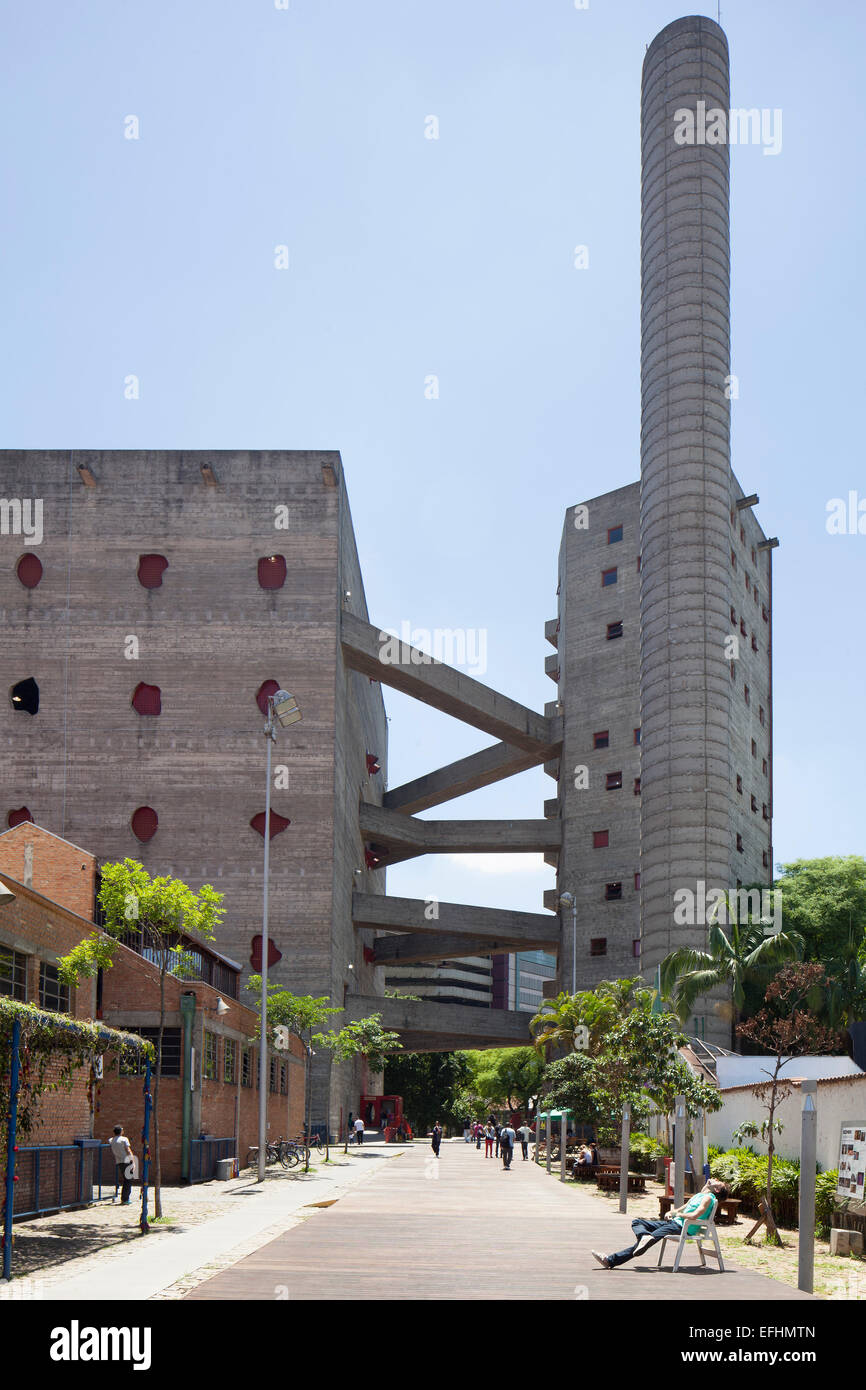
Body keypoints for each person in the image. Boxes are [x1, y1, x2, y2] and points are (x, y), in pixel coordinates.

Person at [591, 1178, 729, 1269]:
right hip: (675, 1223)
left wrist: (679, 1215)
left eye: (719, 1182)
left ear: (716, 1190)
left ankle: (610, 1260)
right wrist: (673, 1212)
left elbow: (694, 1215)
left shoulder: (708, 1199)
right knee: (637, 1221)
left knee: (645, 1242)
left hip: (682, 1227)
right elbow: (687, 1205)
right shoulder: (701, 1195)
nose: (716, 1179)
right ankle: (644, 1236)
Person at [110, 1124, 136, 1205]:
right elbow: (128, 1150)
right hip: (127, 1161)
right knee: (128, 1180)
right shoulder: (124, 1139)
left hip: (119, 1161)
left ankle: (124, 1198)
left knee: (126, 1179)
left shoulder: (111, 1140)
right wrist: (133, 1161)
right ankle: (125, 1199)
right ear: (121, 1131)